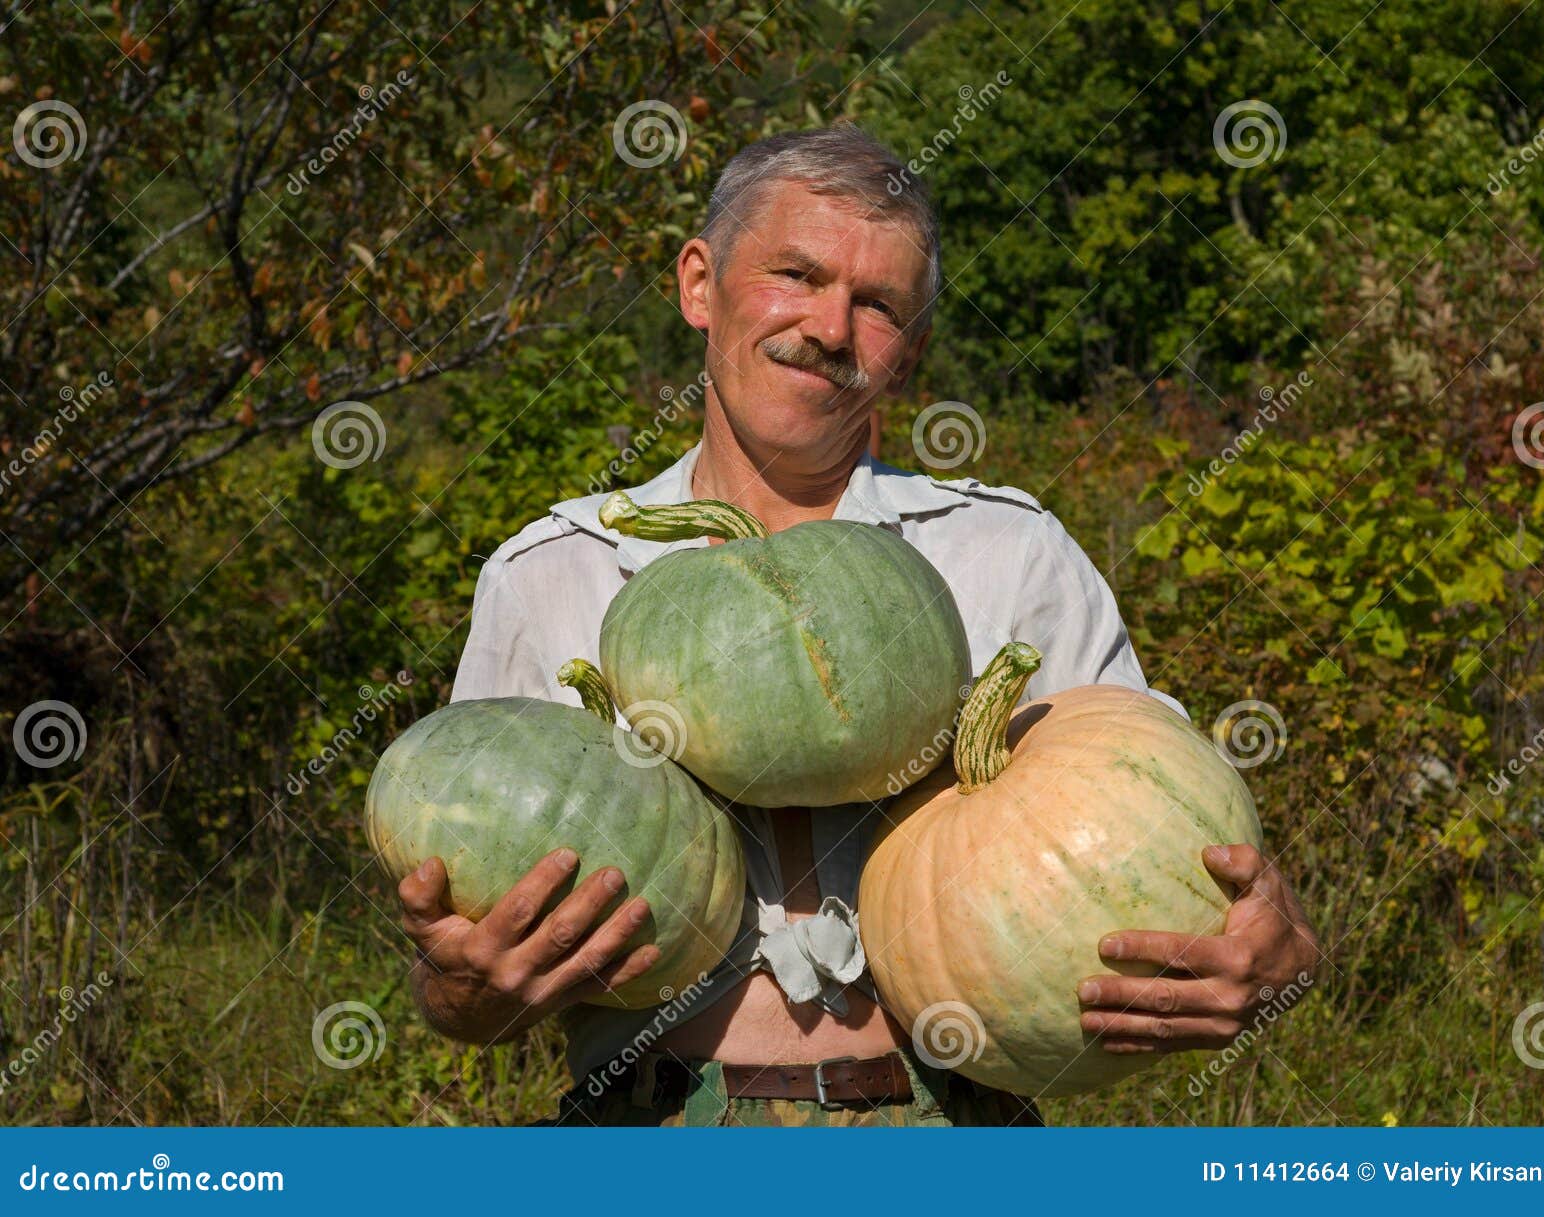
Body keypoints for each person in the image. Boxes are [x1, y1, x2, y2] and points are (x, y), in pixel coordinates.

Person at [396, 123, 1320, 1126]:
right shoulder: (552, 573)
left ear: (911, 350)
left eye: (875, 304)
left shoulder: (1006, 552)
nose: (831, 328)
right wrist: (465, 989)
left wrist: (1276, 960)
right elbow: (464, 989)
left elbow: (1158, 845)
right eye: (795, 273)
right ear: (699, 284)